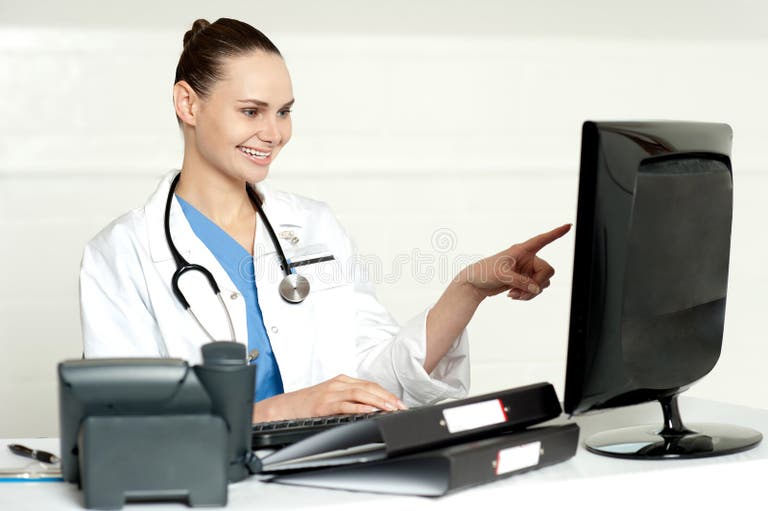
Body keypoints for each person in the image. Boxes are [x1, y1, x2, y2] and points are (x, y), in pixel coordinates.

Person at [79, 18, 570, 423]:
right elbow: (126, 420)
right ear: (188, 103)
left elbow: (378, 379)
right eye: (251, 111)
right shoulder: (122, 252)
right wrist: (285, 409)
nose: (274, 133)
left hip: (320, 470)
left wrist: (468, 288)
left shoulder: (313, 226)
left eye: (284, 112)